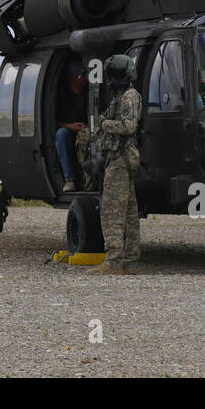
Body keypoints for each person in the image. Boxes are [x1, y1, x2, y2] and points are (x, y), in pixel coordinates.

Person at [89, 56, 142, 275]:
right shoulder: (124, 96)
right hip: (122, 157)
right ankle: (129, 261)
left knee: (112, 210)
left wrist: (103, 124)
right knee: (129, 212)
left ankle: (114, 260)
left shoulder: (128, 97)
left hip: (120, 158)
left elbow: (128, 126)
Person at [54, 61, 88, 192]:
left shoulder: (90, 91)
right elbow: (53, 121)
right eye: (81, 75)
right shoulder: (61, 95)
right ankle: (70, 180)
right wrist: (70, 126)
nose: (84, 78)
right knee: (61, 135)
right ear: (73, 77)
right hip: (69, 130)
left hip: (87, 130)